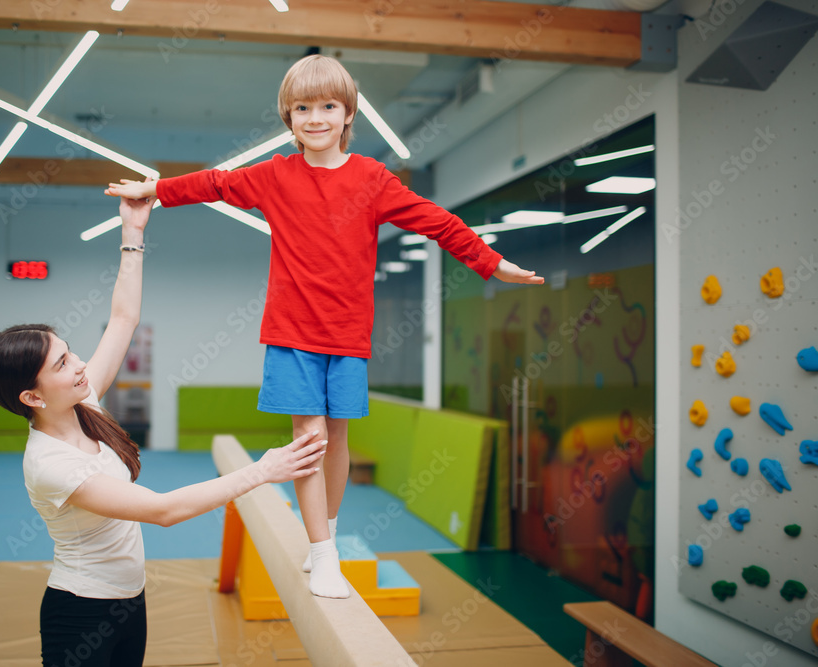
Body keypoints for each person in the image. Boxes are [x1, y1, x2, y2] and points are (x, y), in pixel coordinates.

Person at [105, 55, 544, 600]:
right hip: (292, 334)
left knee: (336, 440)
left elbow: (437, 221)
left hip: (347, 336)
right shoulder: (275, 175)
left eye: (328, 106)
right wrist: (158, 189)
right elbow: (217, 183)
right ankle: (322, 553)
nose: (315, 118)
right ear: (289, 118)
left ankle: (326, 535)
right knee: (309, 439)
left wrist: (490, 261)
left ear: (348, 113)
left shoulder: (372, 179)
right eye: (302, 109)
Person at [0, 192, 326, 667]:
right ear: (33, 398)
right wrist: (262, 471)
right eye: (62, 364)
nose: (79, 364)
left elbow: (123, 318)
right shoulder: (51, 465)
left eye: (70, 351)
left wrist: (133, 233)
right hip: (80, 612)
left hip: (129, 601)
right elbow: (164, 511)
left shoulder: (85, 403)